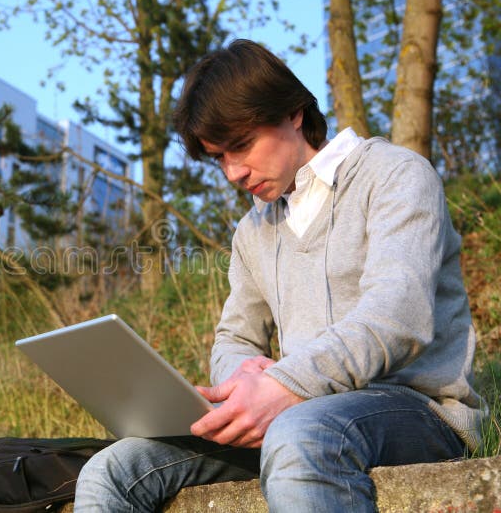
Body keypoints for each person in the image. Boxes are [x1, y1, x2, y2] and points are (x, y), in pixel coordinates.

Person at [72, 39, 485, 512]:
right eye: (218, 157)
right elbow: (233, 338)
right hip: (296, 416)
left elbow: (397, 316)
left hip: (415, 408)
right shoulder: (252, 231)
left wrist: (286, 383)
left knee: (299, 433)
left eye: (241, 146)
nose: (232, 173)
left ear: (292, 112)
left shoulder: (396, 176)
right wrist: (242, 381)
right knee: (111, 471)